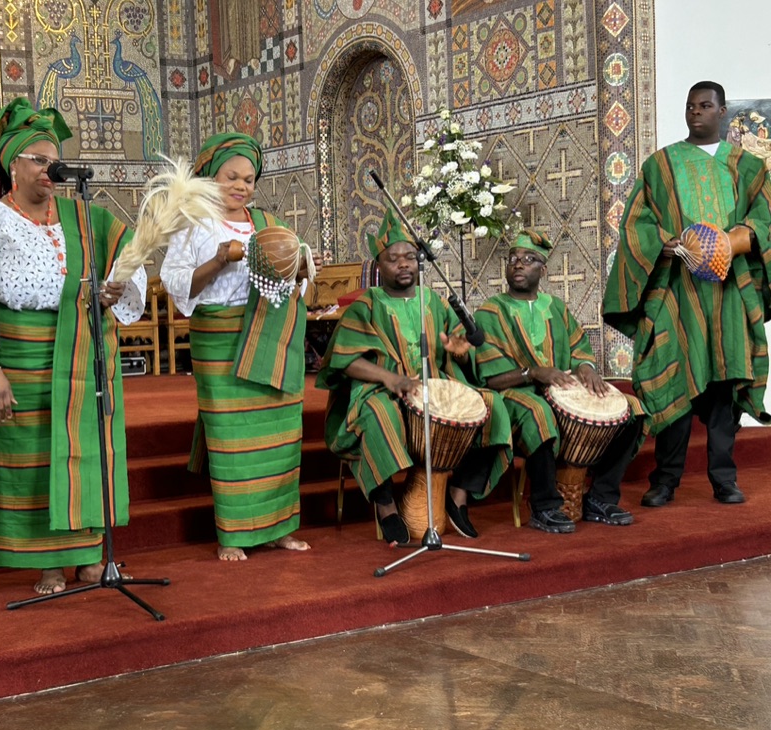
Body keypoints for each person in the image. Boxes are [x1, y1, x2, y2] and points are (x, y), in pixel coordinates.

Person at [0, 97, 146, 595]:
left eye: (52, 158)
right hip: (21, 354)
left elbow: (128, 263)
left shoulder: (86, 218)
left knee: (84, 450)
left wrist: (114, 288)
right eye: (37, 158)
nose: (48, 168)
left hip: (82, 352)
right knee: (35, 457)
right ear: (10, 163)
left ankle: (87, 554)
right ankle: (47, 563)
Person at [603, 81, 771, 507]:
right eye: (690, 106)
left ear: (723, 111)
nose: (696, 112)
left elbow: (765, 218)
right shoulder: (660, 166)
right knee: (675, 377)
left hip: (729, 295)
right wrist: (667, 242)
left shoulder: (748, 166)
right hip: (677, 292)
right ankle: (666, 480)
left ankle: (724, 479)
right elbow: (637, 222)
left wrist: (735, 240)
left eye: (705, 105)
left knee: (724, 389)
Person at [161, 132, 318, 561]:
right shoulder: (191, 222)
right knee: (231, 439)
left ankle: (278, 528)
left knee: (280, 436)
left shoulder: (267, 224)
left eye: (249, 179)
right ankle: (233, 534)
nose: (241, 186)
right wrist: (219, 259)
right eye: (232, 176)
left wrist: (299, 264)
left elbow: (293, 281)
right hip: (219, 338)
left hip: (269, 334)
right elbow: (177, 286)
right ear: (211, 175)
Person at [316, 209, 512, 542]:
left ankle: (459, 496)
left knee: (491, 405)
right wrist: (390, 379)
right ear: (380, 267)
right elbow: (345, 360)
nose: (404, 263)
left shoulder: (434, 301)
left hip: (435, 385)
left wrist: (460, 349)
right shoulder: (367, 304)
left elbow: (460, 341)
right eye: (394, 259)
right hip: (382, 390)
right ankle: (386, 507)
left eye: (410, 256)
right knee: (380, 413)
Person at [474, 229, 646, 533]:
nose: (518, 264)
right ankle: (544, 507)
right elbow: (491, 377)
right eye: (513, 259)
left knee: (632, 410)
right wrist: (532, 372)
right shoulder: (490, 312)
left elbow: (580, 348)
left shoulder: (556, 307)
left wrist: (587, 368)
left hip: (562, 389)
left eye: (529, 260)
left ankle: (602, 497)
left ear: (543, 269)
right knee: (537, 412)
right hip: (515, 394)